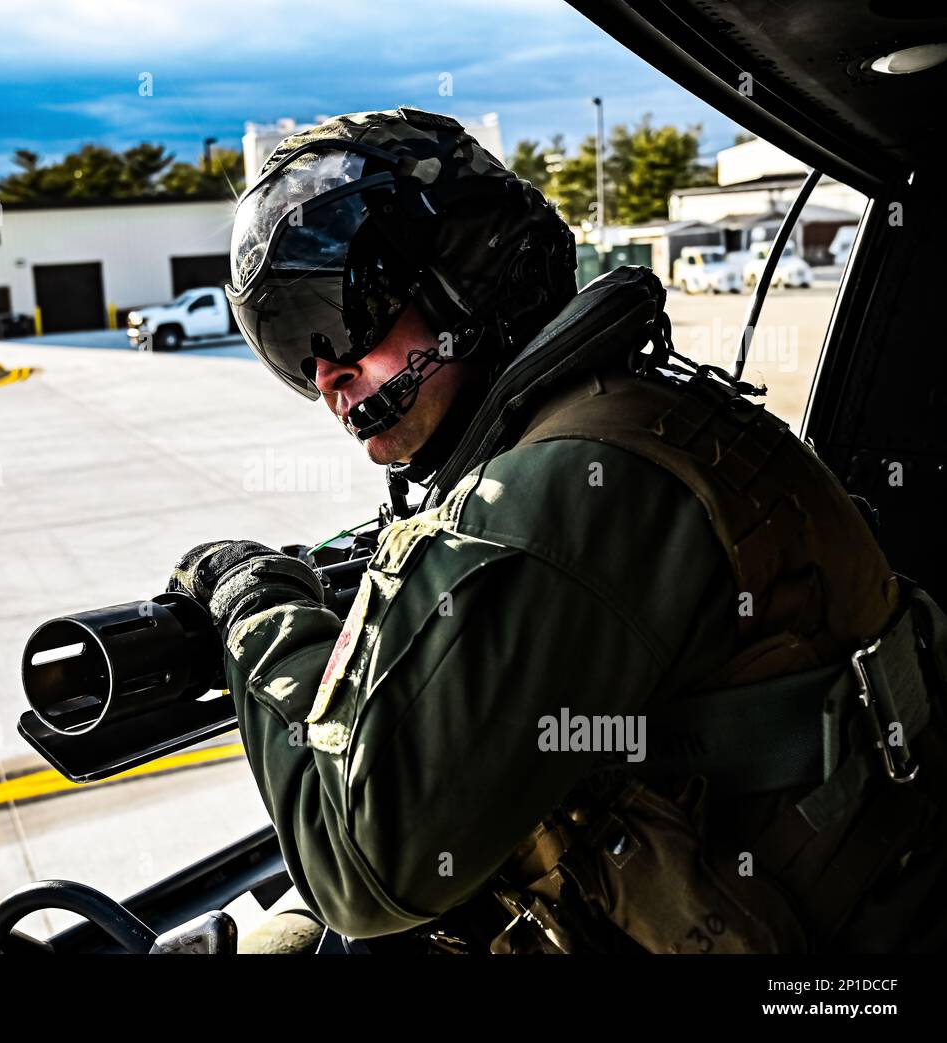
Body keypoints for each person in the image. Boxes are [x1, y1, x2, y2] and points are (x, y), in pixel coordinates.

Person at [167, 107, 947, 953]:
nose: (327, 374)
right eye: (292, 348)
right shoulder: (647, 411)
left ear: (466, 271)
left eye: (339, 315)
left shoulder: (557, 485)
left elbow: (365, 868)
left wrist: (255, 605)